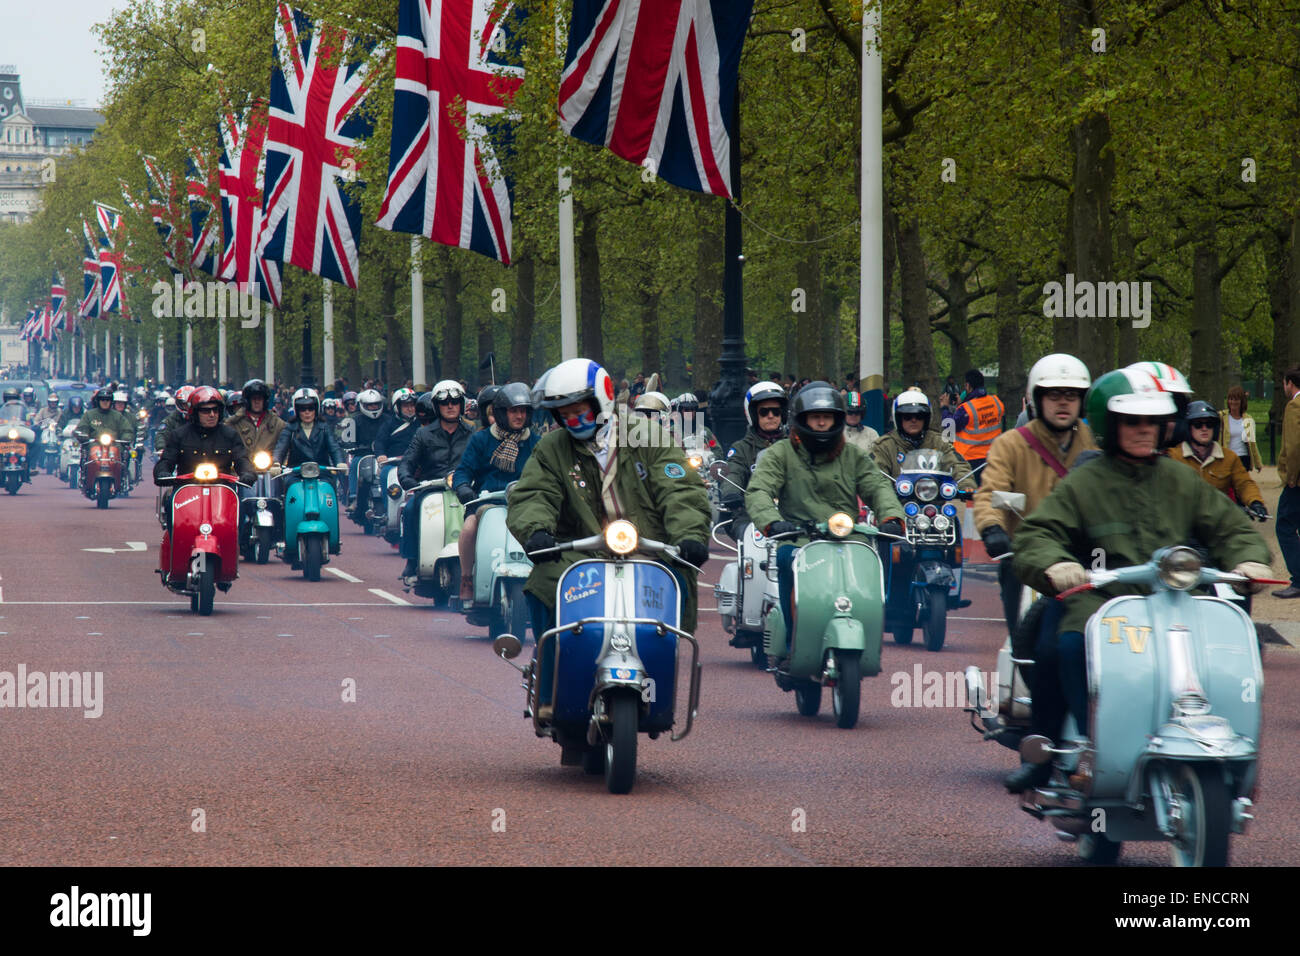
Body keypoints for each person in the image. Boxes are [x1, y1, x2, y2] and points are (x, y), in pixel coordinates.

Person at [1006, 367, 1273, 792]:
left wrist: (1249, 560)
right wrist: (1056, 565)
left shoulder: (1181, 478)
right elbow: (1038, 533)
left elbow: (1231, 528)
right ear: (1110, 424)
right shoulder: (1084, 482)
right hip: (1102, 598)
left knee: (1237, 644)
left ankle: (1235, 753)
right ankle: (1076, 747)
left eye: (1152, 420)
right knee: (1068, 643)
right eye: (1132, 420)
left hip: (1177, 599)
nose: (1145, 429)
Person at [507, 359, 712, 695]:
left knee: (678, 588)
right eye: (564, 414)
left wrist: (689, 535)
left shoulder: (648, 436)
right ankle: (548, 688)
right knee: (542, 584)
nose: (573, 420)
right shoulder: (551, 448)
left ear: (601, 401)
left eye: (580, 410)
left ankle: (657, 688)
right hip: (579, 553)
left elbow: (680, 490)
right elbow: (534, 493)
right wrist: (536, 531)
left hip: (651, 550)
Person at [744, 382, 906, 648]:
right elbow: (760, 489)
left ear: (837, 420)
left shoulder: (854, 456)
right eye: (815, 417)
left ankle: (866, 628)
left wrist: (891, 518)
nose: (821, 423)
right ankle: (792, 638)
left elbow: (877, 486)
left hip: (849, 537)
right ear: (802, 419)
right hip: (797, 538)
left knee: (869, 571)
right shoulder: (780, 453)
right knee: (785, 560)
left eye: (827, 417)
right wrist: (772, 523)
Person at [974, 353, 1095, 633]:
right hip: (1026, 559)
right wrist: (993, 528)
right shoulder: (1011, 445)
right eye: (1054, 395)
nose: (1063, 402)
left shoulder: (1094, 444)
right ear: (1037, 400)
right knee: (1028, 642)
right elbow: (991, 491)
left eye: (1071, 395)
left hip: (1085, 561)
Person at [451, 382, 541, 605]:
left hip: (526, 504)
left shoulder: (536, 443)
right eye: (514, 411)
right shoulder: (481, 439)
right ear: (501, 413)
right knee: (469, 529)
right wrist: (463, 487)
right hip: (486, 501)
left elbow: (547, 473)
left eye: (523, 411)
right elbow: (463, 470)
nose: (519, 416)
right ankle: (467, 578)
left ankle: (544, 584)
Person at [397, 380, 474, 582]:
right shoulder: (423, 434)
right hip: (431, 489)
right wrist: (407, 480)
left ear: (462, 405)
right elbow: (407, 462)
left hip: (465, 489)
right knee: (412, 508)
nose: (450, 406)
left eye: (455, 401)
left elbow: (483, 461)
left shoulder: (473, 434)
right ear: (436, 406)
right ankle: (412, 560)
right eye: (444, 402)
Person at [1168, 401, 1267, 516]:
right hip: (1184, 520)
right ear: (1189, 427)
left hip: (1218, 521)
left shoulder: (1229, 457)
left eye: (1209, 424)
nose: (1204, 428)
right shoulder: (1174, 456)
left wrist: (1255, 502)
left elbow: (1244, 483)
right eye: (1198, 424)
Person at [720, 381, 788, 542]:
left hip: (789, 513)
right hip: (750, 515)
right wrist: (731, 493)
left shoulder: (794, 446)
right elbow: (733, 472)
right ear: (753, 414)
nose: (771, 416)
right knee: (747, 537)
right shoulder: (741, 448)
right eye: (764, 412)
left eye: (776, 411)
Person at [153, 386, 254, 492]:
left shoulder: (230, 435)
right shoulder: (179, 435)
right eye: (206, 411)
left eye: (215, 410)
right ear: (195, 412)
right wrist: (162, 472)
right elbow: (166, 460)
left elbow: (242, 459)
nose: (212, 415)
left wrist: (247, 473)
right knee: (169, 505)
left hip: (222, 492)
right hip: (187, 492)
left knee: (244, 506)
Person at [871, 389, 974, 488]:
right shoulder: (884, 446)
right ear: (898, 418)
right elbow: (876, 474)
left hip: (933, 502)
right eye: (907, 416)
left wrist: (966, 483)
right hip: (896, 504)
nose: (914, 420)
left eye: (919, 416)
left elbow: (957, 464)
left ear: (926, 418)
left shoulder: (938, 442)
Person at [271, 388, 346, 498]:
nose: (307, 412)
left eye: (310, 408)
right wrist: (276, 462)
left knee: (329, 490)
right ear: (297, 410)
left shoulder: (324, 427)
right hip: (296, 472)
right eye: (302, 409)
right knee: (288, 490)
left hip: (321, 471)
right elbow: (281, 447)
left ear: (316, 409)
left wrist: (339, 462)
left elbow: (334, 447)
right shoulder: (290, 428)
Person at [1274, 366, 1300, 598]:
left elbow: (1293, 447)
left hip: (1298, 482)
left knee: (1284, 526)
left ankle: (1298, 579)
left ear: (1290, 383)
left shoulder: (1294, 405)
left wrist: (1291, 477)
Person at [347, 388, 393, 520]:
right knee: (354, 463)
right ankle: (354, 498)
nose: (373, 407)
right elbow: (346, 439)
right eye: (370, 405)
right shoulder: (355, 420)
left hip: (384, 455)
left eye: (376, 405)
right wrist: (351, 446)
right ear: (363, 406)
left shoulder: (388, 420)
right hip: (363, 454)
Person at [952, 369, 1004, 484]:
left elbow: (949, 428)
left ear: (967, 385)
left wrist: (945, 408)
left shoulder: (966, 409)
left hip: (969, 459)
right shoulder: (996, 402)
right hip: (992, 456)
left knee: (971, 494)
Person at [228, 379, 285, 458]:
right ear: (247, 401)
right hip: (241, 467)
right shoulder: (234, 423)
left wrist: (277, 463)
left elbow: (284, 447)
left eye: (260, 399)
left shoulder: (277, 423)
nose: (257, 402)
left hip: (270, 468)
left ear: (265, 401)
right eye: (253, 398)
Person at [1220, 386, 1261, 472]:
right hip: (1228, 458)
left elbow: (1252, 444)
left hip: (1243, 458)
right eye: (1231, 399)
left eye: (1236, 399)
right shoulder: (1222, 417)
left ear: (1242, 401)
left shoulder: (1248, 419)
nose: (1233, 402)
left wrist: (1258, 463)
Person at [373, 388, 420, 463]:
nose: (410, 409)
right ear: (397, 407)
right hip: (394, 464)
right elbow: (380, 442)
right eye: (405, 406)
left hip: (418, 465)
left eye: (412, 405)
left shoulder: (422, 423)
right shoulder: (388, 424)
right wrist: (381, 454)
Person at [155, 385, 194, 451]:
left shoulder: (203, 417)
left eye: (190, 403)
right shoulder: (171, 419)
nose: (187, 406)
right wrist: (161, 448)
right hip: (178, 453)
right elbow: (161, 434)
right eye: (184, 404)